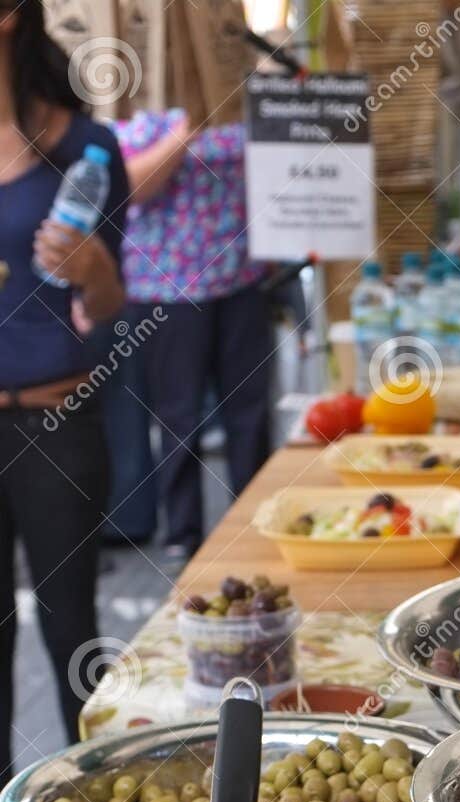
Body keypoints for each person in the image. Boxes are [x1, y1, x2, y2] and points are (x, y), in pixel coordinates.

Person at [0, 0, 127, 786]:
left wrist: (91, 267)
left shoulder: (85, 147)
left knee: (71, 627)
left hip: (57, 421)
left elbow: (109, 304)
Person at [114, 110, 273, 559]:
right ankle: (184, 534)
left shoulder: (235, 107)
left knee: (249, 412)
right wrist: (184, 134)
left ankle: (256, 521)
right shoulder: (135, 120)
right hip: (167, 288)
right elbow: (132, 189)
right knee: (178, 416)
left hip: (240, 280)